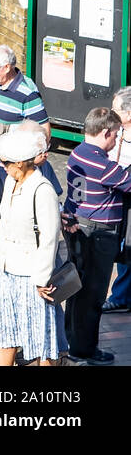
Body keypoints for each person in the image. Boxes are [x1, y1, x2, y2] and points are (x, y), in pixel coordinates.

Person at [0, 126, 66, 367]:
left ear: (20, 162)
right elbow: (5, 225)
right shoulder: (11, 182)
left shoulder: (42, 190)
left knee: (42, 339)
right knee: (3, 332)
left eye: (5, 162)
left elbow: (50, 238)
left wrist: (41, 280)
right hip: (5, 272)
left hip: (31, 277)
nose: (1, 165)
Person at [61, 106, 131, 364]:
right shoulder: (103, 165)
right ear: (105, 132)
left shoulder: (77, 153)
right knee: (93, 294)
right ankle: (84, 350)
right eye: (115, 136)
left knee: (77, 291)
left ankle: (72, 340)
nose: (116, 141)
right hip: (98, 235)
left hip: (78, 227)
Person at [0, 44, 50, 142]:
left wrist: (0, 131)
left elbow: (44, 131)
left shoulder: (28, 94)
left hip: (11, 148)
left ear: (6, 68)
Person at [102, 87, 131, 313]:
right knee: (122, 246)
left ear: (128, 114)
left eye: (116, 110)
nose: (111, 113)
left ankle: (121, 296)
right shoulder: (116, 132)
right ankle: (122, 295)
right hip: (117, 196)